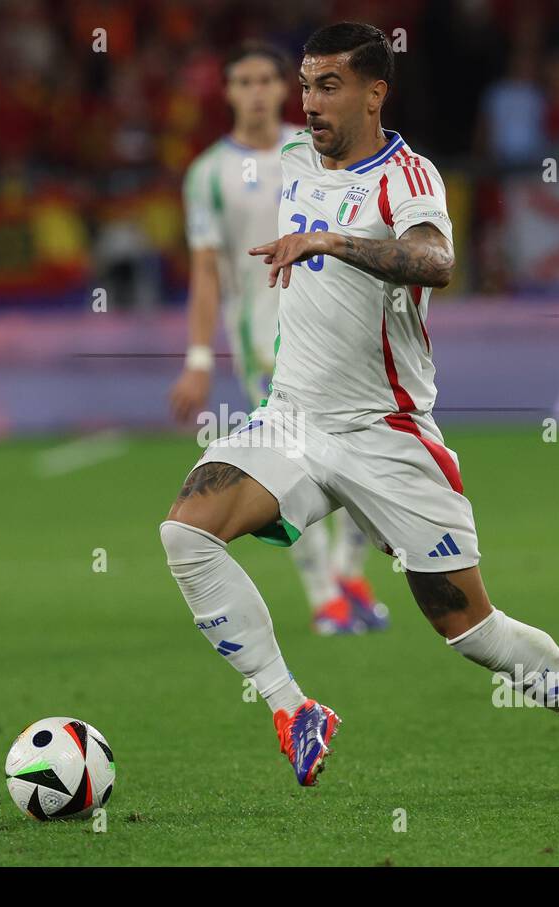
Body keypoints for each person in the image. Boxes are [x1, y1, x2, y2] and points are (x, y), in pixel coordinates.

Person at [159, 23, 559, 796]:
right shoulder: (288, 161)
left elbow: (438, 262)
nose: (309, 102)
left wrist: (334, 243)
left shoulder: (407, 177)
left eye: (329, 86)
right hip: (295, 418)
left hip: (388, 433)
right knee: (185, 532)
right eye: (306, 85)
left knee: (468, 629)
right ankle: (293, 708)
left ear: (375, 92)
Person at [169, 40, 388, 636]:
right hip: (266, 345)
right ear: (229, 93)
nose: (258, 92)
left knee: (361, 449)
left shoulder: (312, 147)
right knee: (289, 465)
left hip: (338, 332)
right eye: (244, 82)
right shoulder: (209, 175)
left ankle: (349, 576)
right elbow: (207, 273)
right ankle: (325, 597)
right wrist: (196, 357)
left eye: (268, 80)